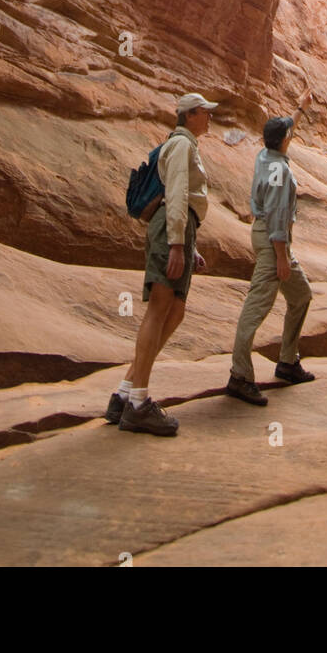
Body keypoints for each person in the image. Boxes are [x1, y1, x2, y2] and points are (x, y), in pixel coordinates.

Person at [106, 92, 217, 437]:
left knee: (175, 311)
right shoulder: (182, 145)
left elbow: (182, 198)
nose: (210, 118)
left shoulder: (182, 144)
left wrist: (187, 243)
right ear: (191, 115)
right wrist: (176, 243)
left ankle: (124, 394)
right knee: (159, 308)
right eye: (206, 113)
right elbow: (178, 193)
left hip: (179, 229)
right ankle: (139, 404)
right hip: (172, 229)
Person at [226, 91, 316, 405]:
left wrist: (299, 109)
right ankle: (239, 376)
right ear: (283, 142)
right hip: (272, 241)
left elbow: (287, 127)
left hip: (270, 238)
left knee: (301, 295)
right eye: (289, 135)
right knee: (256, 308)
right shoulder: (281, 173)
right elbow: (279, 217)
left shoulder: (265, 154)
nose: (292, 136)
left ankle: (287, 362)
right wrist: (281, 257)